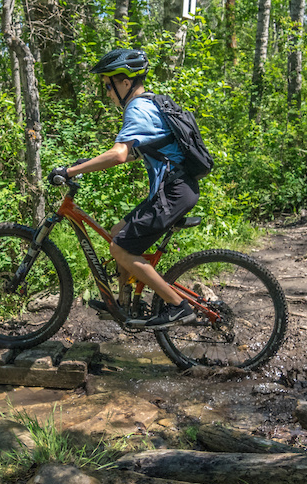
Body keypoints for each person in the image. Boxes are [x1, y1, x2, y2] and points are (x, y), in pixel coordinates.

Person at [47, 48, 199, 329]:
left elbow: (118, 154)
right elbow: (134, 153)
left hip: (173, 192)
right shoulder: (150, 103)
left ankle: (178, 307)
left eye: (108, 85)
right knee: (118, 233)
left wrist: (69, 172)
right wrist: (85, 165)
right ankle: (125, 304)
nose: (107, 93)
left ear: (125, 82)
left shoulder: (137, 108)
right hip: (174, 189)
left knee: (120, 250)